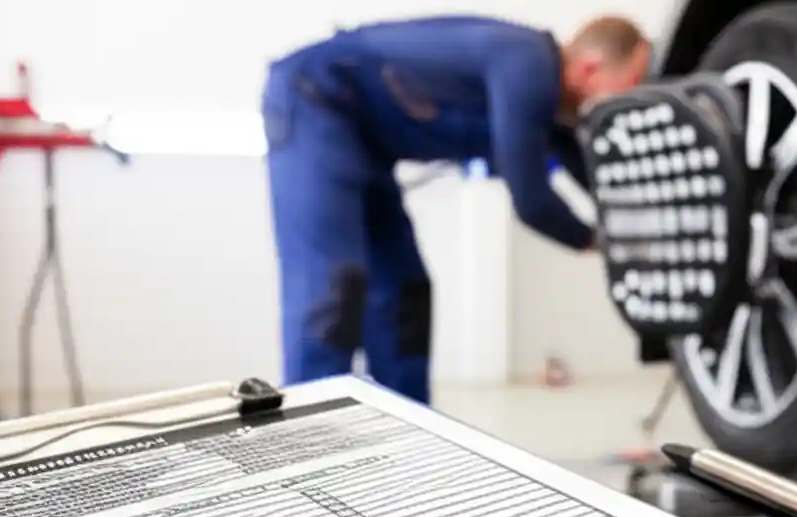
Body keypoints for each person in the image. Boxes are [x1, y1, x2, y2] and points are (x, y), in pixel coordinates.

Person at [263, 16, 650, 403]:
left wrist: (645, 225)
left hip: (366, 140)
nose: (627, 98)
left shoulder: (547, 102)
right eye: (631, 84)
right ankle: (310, 436)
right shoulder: (528, 66)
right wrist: (596, 242)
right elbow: (531, 199)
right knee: (332, 286)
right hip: (314, 99)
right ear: (590, 67)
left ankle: (407, 433)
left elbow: (592, 175)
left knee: (404, 295)